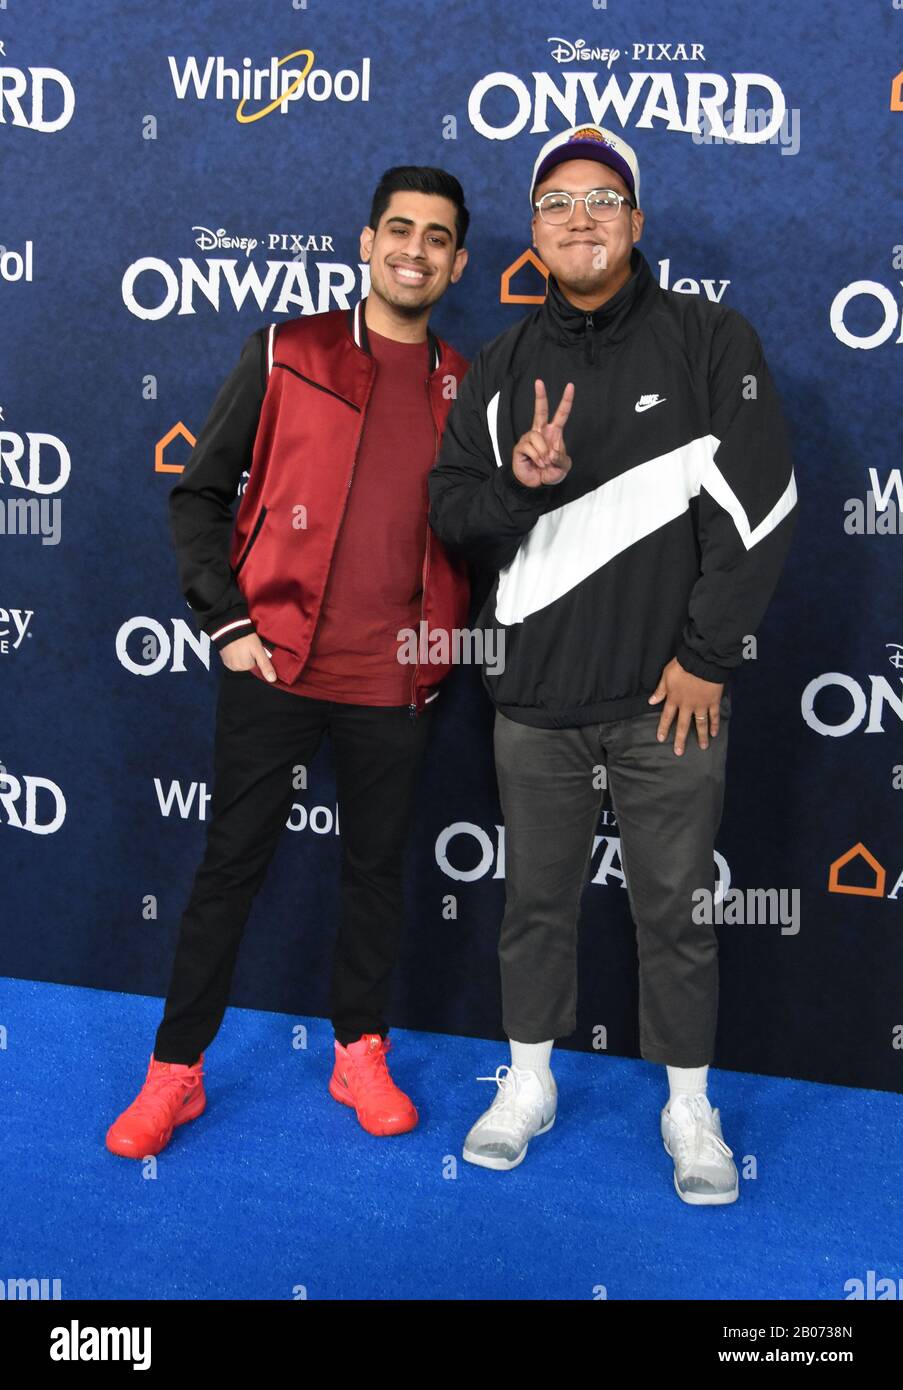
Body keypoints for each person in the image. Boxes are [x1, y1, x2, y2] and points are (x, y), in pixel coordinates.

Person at [428, 125, 797, 1203]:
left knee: (676, 913)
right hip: (534, 701)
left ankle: (689, 1105)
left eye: (601, 200)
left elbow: (761, 508)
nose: (579, 219)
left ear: (635, 222)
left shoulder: (708, 337)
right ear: (532, 232)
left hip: (667, 704)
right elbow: (452, 511)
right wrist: (523, 484)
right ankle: (530, 1082)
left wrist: (706, 656)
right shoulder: (499, 368)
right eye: (556, 203)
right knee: (533, 904)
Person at [106, 166, 470, 1159]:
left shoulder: (466, 386)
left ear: (458, 262)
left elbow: (483, 531)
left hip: (398, 680)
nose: (415, 249)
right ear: (366, 241)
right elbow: (199, 495)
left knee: (376, 875)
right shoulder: (287, 350)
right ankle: (175, 1074)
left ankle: (359, 1051)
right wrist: (226, 622)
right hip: (277, 664)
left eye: (437, 237)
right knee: (230, 867)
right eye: (400, 229)